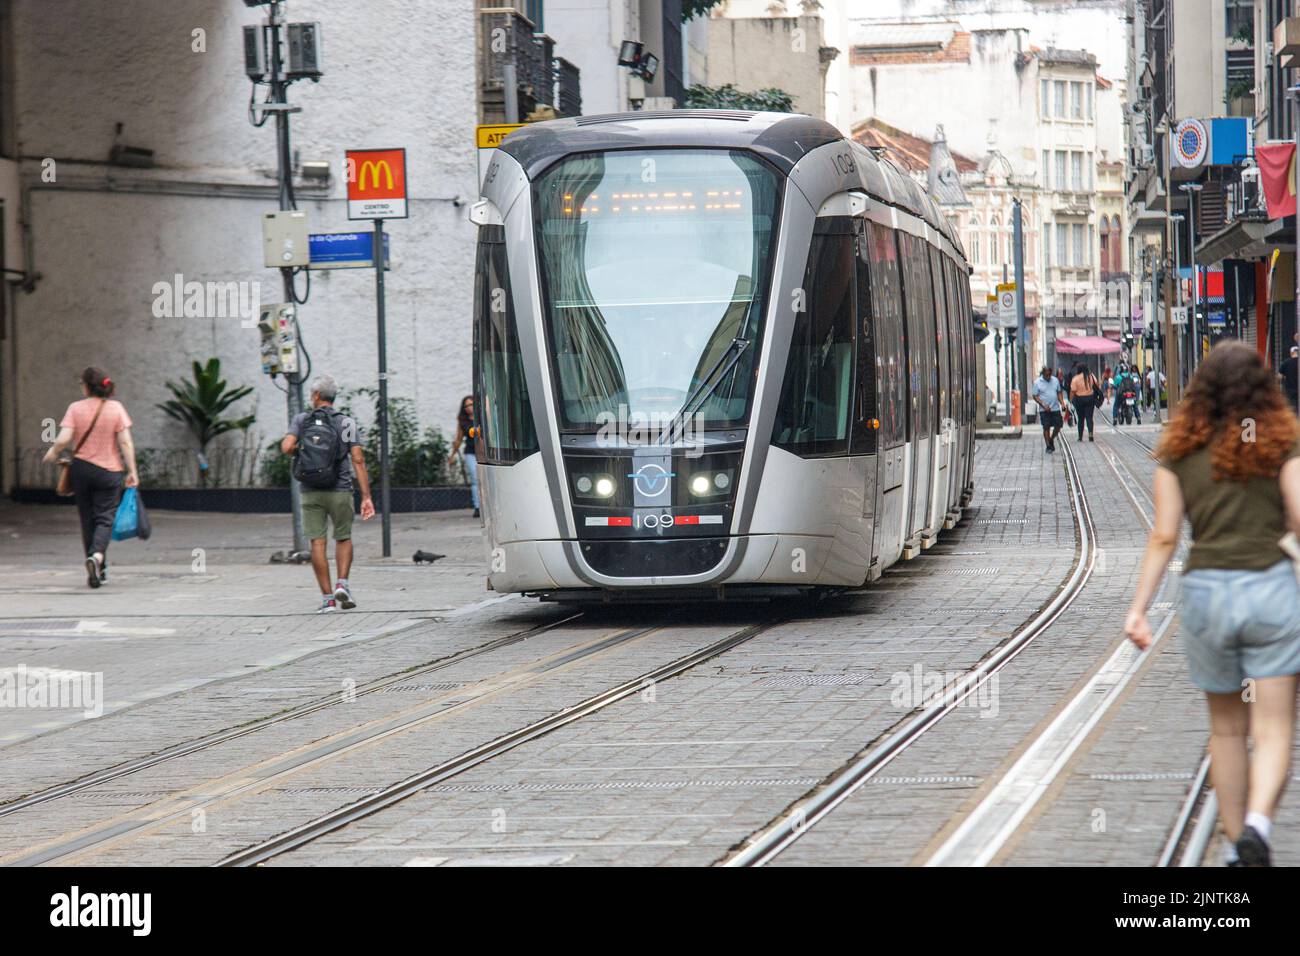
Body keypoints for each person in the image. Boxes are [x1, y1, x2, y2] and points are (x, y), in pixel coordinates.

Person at [1125, 342, 1300, 867]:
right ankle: (1258, 826)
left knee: (1226, 728)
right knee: (1272, 728)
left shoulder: (1178, 449)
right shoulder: (1281, 443)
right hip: (1269, 588)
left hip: (1205, 595)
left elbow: (1162, 537)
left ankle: (1232, 847)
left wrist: (1139, 609)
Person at [281, 375, 375, 613]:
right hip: (340, 489)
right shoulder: (346, 423)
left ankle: (327, 600)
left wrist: (302, 450)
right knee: (343, 537)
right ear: (334, 397)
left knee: (317, 543)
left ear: (315, 396)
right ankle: (342, 583)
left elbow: (286, 447)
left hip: (311, 490)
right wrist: (366, 496)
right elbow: (358, 459)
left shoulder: (302, 420)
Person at [42, 367, 140, 588]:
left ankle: (97, 568)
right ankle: (97, 558)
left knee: (88, 520)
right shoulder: (116, 408)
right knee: (105, 518)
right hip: (110, 471)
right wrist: (132, 470)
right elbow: (125, 442)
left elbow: (64, 438)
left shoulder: (75, 408)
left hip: (82, 470)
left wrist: (53, 453)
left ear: (86, 386)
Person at [447, 394, 480, 519]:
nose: (468, 407)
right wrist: (452, 455)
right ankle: (477, 507)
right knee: (475, 478)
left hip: (483, 452)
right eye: (466, 406)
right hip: (470, 452)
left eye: (471, 404)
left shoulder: (482, 417)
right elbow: (458, 439)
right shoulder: (463, 421)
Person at [1030, 366, 1064, 454]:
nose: (1048, 377)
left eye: (1049, 375)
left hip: (1055, 408)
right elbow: (1035, 396)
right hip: (1044, 410)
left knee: (1059, 425)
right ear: (1043, 374)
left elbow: (1059, 392)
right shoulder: (1038, 382)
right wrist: (1043, 405)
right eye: (1046, 375)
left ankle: (1051, 439)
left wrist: (1062, 403)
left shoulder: (1055, 380)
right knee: (1046, 427)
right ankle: (1048, 446)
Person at [1068, 362, 1099, 442]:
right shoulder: (1091, 377)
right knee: (1089, 418)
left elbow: (1073, 391)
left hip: (1079, 400)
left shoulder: (1076, 378)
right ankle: (1090, 434)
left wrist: (1070, 401)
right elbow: (1097, 385)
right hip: (1090, 399)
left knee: (1081, 419)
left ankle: (1080, 436)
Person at [1280, 346, 1299, 411]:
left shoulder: (1285, 362)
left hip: (1290, 390)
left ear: (1291, 353)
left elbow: (1279, 376)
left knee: (1292, 407)